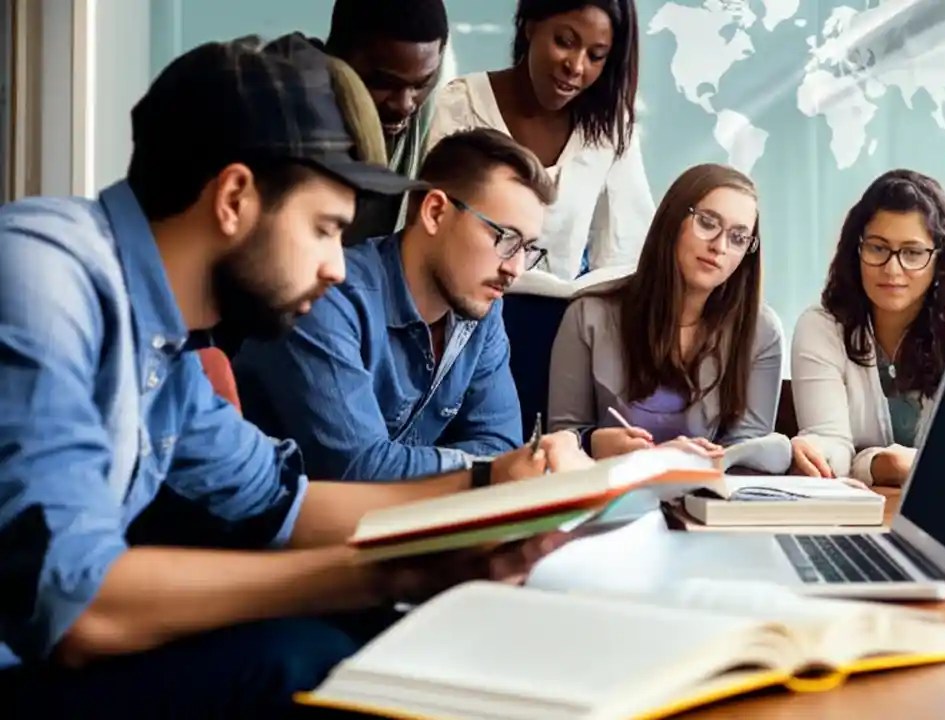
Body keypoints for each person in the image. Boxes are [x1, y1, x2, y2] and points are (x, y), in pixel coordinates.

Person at [0, 35, 587, 718]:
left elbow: (285, 504)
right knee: (298, 658)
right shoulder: (44, 281)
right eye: (323, 228)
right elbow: (77, 605)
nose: (337, 265)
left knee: (364, 640)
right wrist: (385, 574)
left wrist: (495, 487)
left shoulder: (167, 345)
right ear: (235, 199)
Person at [234, 128, 554, 481]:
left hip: (399, 527)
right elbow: (359, 469)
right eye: (505, 238)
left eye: (527, 247)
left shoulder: (482, 308)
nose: (516, 268)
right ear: (434, 212)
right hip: (273, 530)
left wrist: (493, 467)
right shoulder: (327, 296)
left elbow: (503, 445)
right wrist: (487, 471)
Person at [547, 163, 789, 471]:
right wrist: (594, 442)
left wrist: (685, 462)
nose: (719, 246)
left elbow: (747, 449)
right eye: (707, 222)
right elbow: (560, 438)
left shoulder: (761, 332)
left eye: (739, 237)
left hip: (705, 502)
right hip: (608, 494)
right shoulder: (587, 316)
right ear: (673, 220)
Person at [789, 170, 945, 485]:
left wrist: (890, 464)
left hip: (940, 516)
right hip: (854, 515)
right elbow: (832, 443)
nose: (892, 269)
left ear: (940, 261)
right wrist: (818, 452)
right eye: (878, 248)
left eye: (912, 253)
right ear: (857, 250)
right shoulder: (821, 327)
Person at [426, 0, 652, 280]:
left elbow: (623, 256)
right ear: (530, 25)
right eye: (565, 41)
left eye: (596, 56)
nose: (576, 66)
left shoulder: (610, 130)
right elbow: (429, 232)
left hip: (556, 315)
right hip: (460, 309)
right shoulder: (463, 105)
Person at [323, 0, 455, 239]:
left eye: (421, 84)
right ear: (336, 57)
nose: (404, 105)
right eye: (383, 84)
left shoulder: (444, 134)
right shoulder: (289, 139)